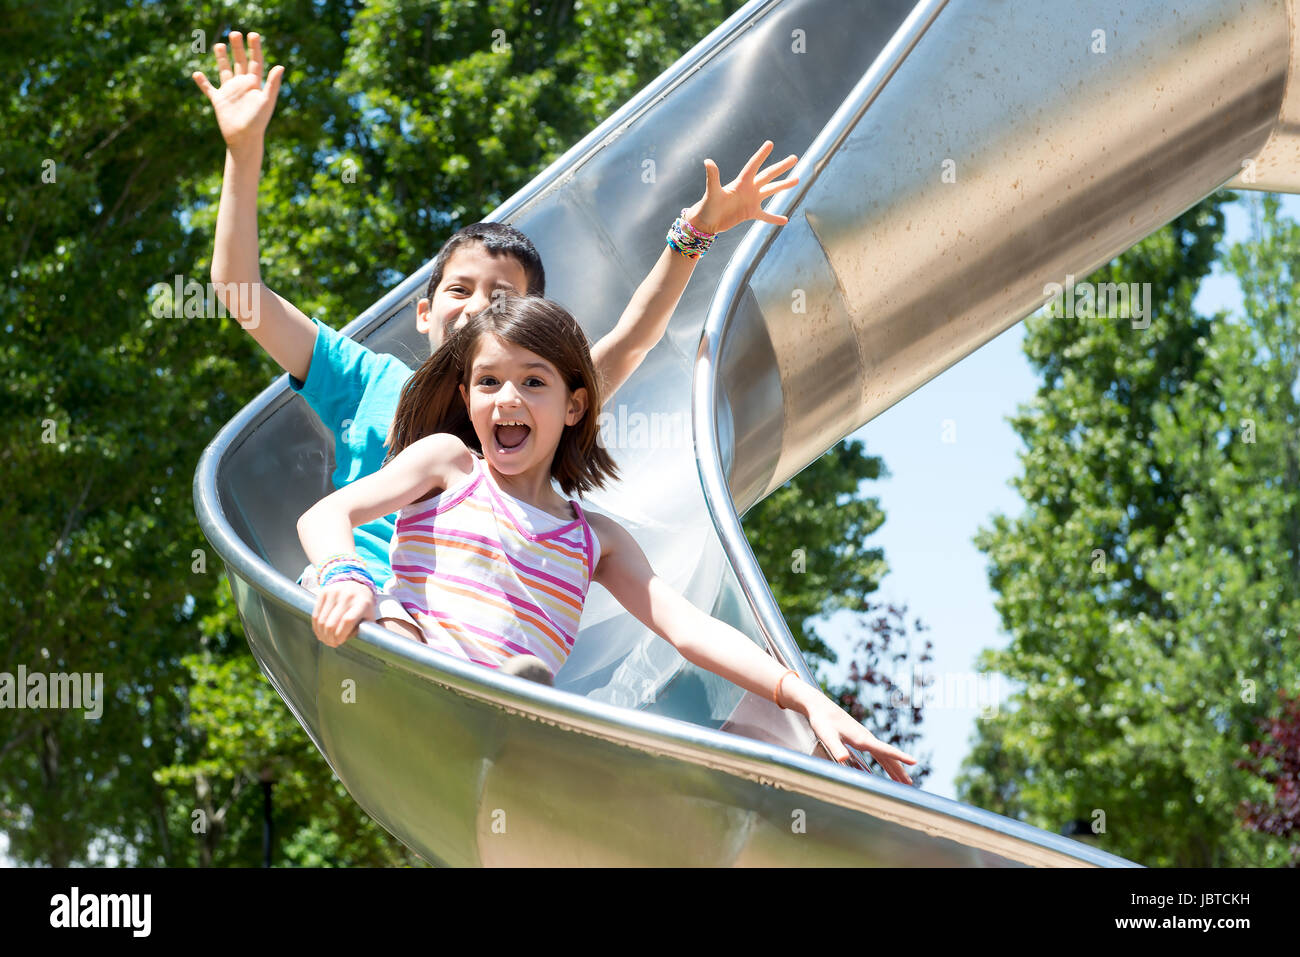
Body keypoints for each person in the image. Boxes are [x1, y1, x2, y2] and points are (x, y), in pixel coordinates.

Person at [192, 30, 801, 589]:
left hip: (468, 630)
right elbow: (240, 293)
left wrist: (694, 232)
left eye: (502, 299)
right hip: (363, 601)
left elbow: (634, 338)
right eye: (460, 291)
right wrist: (243, 153)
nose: (478, 306)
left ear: (527, 323)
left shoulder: (534, 402)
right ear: (425, 313)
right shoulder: (367, 379)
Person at [296, 293, 919, 784]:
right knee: (390, 614)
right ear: (466, 396)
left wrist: (807, 700)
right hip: (401, 669)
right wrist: (343, 574)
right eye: (488, 383)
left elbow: (689, 628)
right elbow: (324, 518)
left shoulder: (594, 539)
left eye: (534, 382)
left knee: (545, 706)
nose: (507, 398)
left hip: (490, 720)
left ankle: (517, 708)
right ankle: (480, 689)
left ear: (574, 406)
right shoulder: (448, 465)